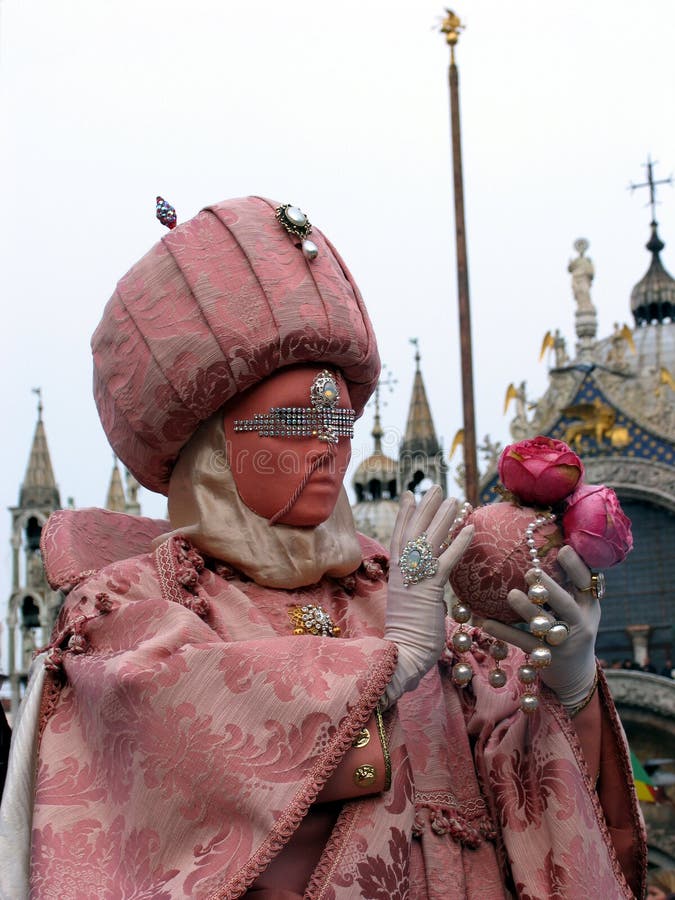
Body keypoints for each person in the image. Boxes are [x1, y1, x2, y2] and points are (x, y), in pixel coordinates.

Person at [0, 197, 645, 899]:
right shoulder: (133, 600)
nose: (326, 448)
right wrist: (383, 669)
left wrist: (565, 689)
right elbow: (166, 753)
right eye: (293, 420)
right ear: (210, 446)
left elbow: (508, 789)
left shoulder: (391, 586)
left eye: (339, 419)